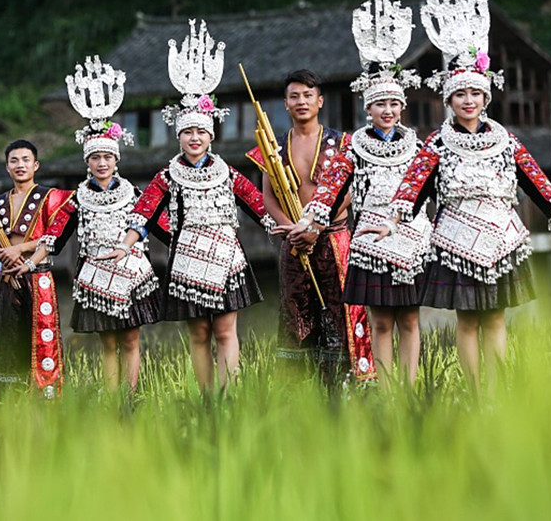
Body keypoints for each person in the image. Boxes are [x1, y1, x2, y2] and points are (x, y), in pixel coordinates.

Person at [360, 0, 551, 395]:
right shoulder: (436, 143)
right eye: (461, 95)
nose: (468, 100)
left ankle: (497, 393)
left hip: (501, 238)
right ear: (449, 101)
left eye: (475, 93)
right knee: (467, 321)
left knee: (496, 319)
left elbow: (534, 180)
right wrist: (392, 221)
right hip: (454, 238)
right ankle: (474, 394)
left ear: (485, 98)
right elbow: (413, 187)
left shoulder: (506, 139)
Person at [102, 20, 275, 393]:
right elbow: (144, 212)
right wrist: (127, 242)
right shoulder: (168, 175)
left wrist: (279, 225)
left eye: (200, 132)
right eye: (188, 132)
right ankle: (207, 398)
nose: (194, 138)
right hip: (187, 259)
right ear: (179, 135)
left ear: (210, 135)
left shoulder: (228, 172)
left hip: (225, 255)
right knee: (198, 333)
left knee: (226, 329)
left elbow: (256, 204)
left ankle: (231, 398)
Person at [284, 0, 432, 388]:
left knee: (411, 318)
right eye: (379, 104)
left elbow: (432, 189)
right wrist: (309, 219)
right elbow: (330, 190)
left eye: (393, 104)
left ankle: (411, 388)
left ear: (401, 107)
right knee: (380, 318)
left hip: (411, 237)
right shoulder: (355, 147)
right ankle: (384, 390)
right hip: (368, 235)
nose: (387, 110)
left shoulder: (419, 147)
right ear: (368, 109)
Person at [21, 56, 161, 394]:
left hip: (130, 274)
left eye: (107, 158)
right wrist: (29, 263)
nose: (102, 163)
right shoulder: (76, 199)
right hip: (95, 274)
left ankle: (131, 395)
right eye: (95, 158)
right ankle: (111, 397)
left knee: (130, 338)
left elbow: (156, 224)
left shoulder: (134, 193)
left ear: (116, 160)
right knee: (107, 342)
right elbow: (53, 238)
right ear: (87, 161)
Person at [248, 68, 375, 385]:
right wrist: (292, 228)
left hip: (333, 239)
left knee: (341, 313)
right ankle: (299, 394)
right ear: (286, 104)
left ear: (319, 101)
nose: (301, 101)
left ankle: (350, 386)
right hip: (294, 243)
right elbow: (268, 196)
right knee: (296, 317)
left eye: (308, 95)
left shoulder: (342, 142)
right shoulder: (273, 147)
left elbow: (349, 192)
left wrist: (316, 226)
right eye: (294, 96)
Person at [0, 138, 72, 399]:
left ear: (36, 165)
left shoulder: (51, 197)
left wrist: (20, 250)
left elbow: (52, 238)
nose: (20, 165)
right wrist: (3, 253)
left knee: (44, 337)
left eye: (25, 160)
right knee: (10, 337)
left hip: (38, 274)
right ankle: (11, 399)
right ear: (7, 167)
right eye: (14, 161)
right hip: (9, 277)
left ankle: (48, 396)